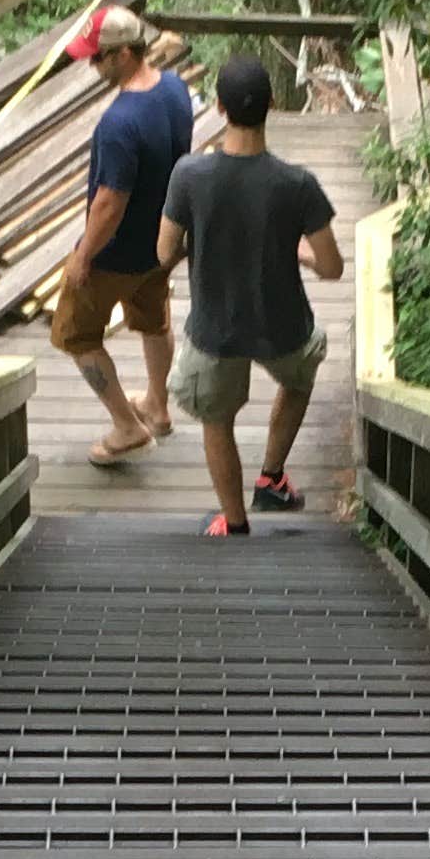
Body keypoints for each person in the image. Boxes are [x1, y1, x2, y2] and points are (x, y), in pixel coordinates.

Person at [155, 53, 343, 537]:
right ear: (272, 105)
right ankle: (272, 477)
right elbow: (331, 266)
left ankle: (234, 522)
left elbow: (163, 253)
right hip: (284, 326)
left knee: (216, 417)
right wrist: (292, 251)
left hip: (216, 331)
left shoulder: (189, 176)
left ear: (218, 107)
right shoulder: (298, 185)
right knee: (300, 376)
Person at [51, 1, 194, 464]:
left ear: (126, 54)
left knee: (76, 334)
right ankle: (157, 405)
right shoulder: (174, 89)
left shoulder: (118, 122)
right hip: (162, 243)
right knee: (155, 319)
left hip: (115, 254)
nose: (92, 66)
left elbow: (109, 203)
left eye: (98, 57)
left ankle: (126, 426)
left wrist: (82, 256)